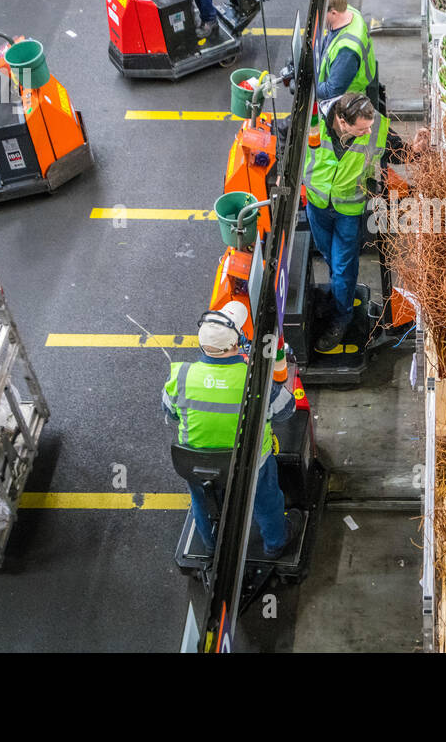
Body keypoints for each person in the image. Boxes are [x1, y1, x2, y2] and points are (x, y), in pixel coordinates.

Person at [163, 301, 296, 559]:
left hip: (195, 463)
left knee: (201, 503)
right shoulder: (254, 378)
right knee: (266, 500)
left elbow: (170, 413)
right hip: (248, 463)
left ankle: (211, 546)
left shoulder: (180, 376)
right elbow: (286, 410)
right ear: (236, 345)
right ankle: (275, 544)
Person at [303, 93, 429, 351]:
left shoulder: (377, 127)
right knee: (329, 257)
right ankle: (340, 297)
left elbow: (398, 151)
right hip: (317, 205)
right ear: (341, 121)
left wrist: (416, 150)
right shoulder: (313, 121)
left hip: (350, 209)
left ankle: (342, 318)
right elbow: (286, 142)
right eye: (362, 129)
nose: (369, 132)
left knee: (342, 267)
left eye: (369, 126)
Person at [315, 0, 382, 113]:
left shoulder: (346, 51)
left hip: (347, 108)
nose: (319, 17)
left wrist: (310, 84)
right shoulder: (350, 12)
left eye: (322, 12)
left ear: (334, 13)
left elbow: (331, 92)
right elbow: (329, 40)